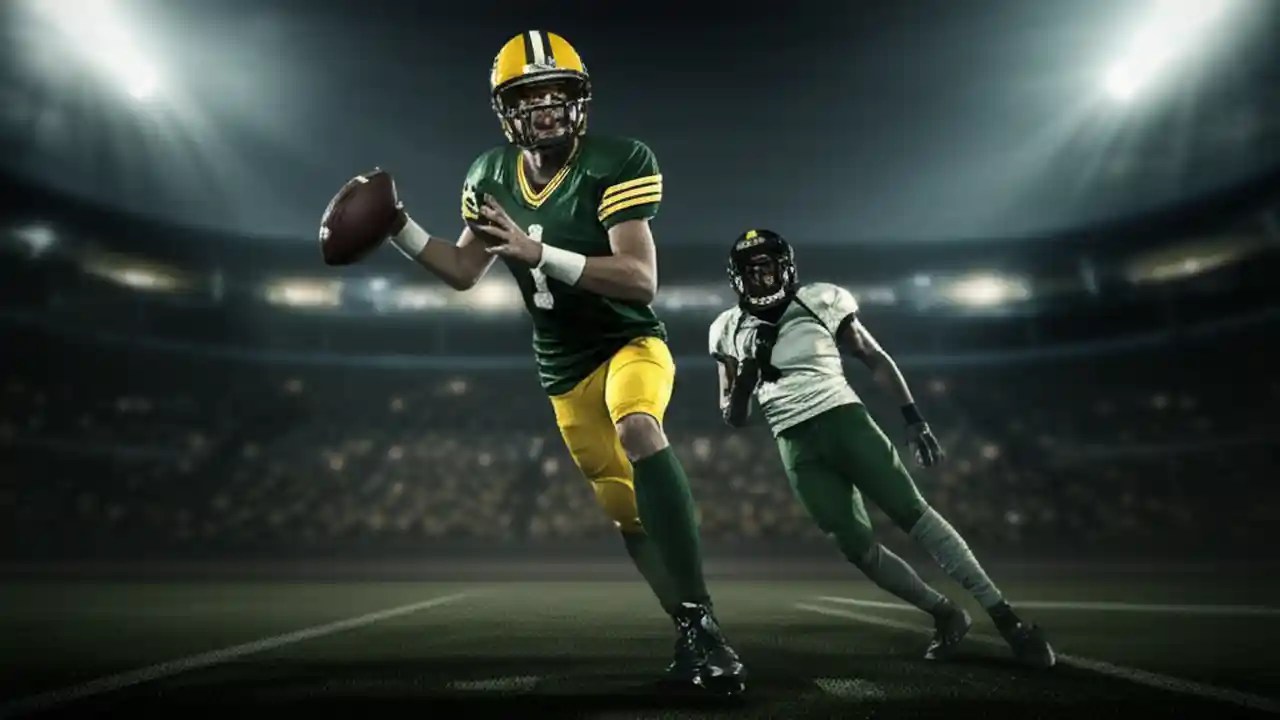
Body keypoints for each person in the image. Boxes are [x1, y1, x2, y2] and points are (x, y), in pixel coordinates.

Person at [324, 30, 746, 694]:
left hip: (630, 343)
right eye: (530, 95)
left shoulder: (619, 160)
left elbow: (639, 280)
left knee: (639, 424)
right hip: (562, 371)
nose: (546, 108)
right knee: (625, 515)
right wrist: (398, 228)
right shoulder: (489, 174)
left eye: (559, 93)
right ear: (505, 108)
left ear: (580, 101)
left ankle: (711, 634)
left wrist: (537, 254)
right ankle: (692, 624)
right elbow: (465, 270)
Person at [708, 228, 1055, 669]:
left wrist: (913, 417)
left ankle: (1010, 622)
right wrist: (745, 379)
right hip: (792, 441)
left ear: (785, 267)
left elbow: (874, 356)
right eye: (751, 270)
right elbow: (733, 416)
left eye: (767, 266)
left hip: (843, 419)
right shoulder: (725, 328)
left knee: (915, 515)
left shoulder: (819, 300)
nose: (760, 277)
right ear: (737, 278)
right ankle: (945, 614)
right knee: (853, 545)